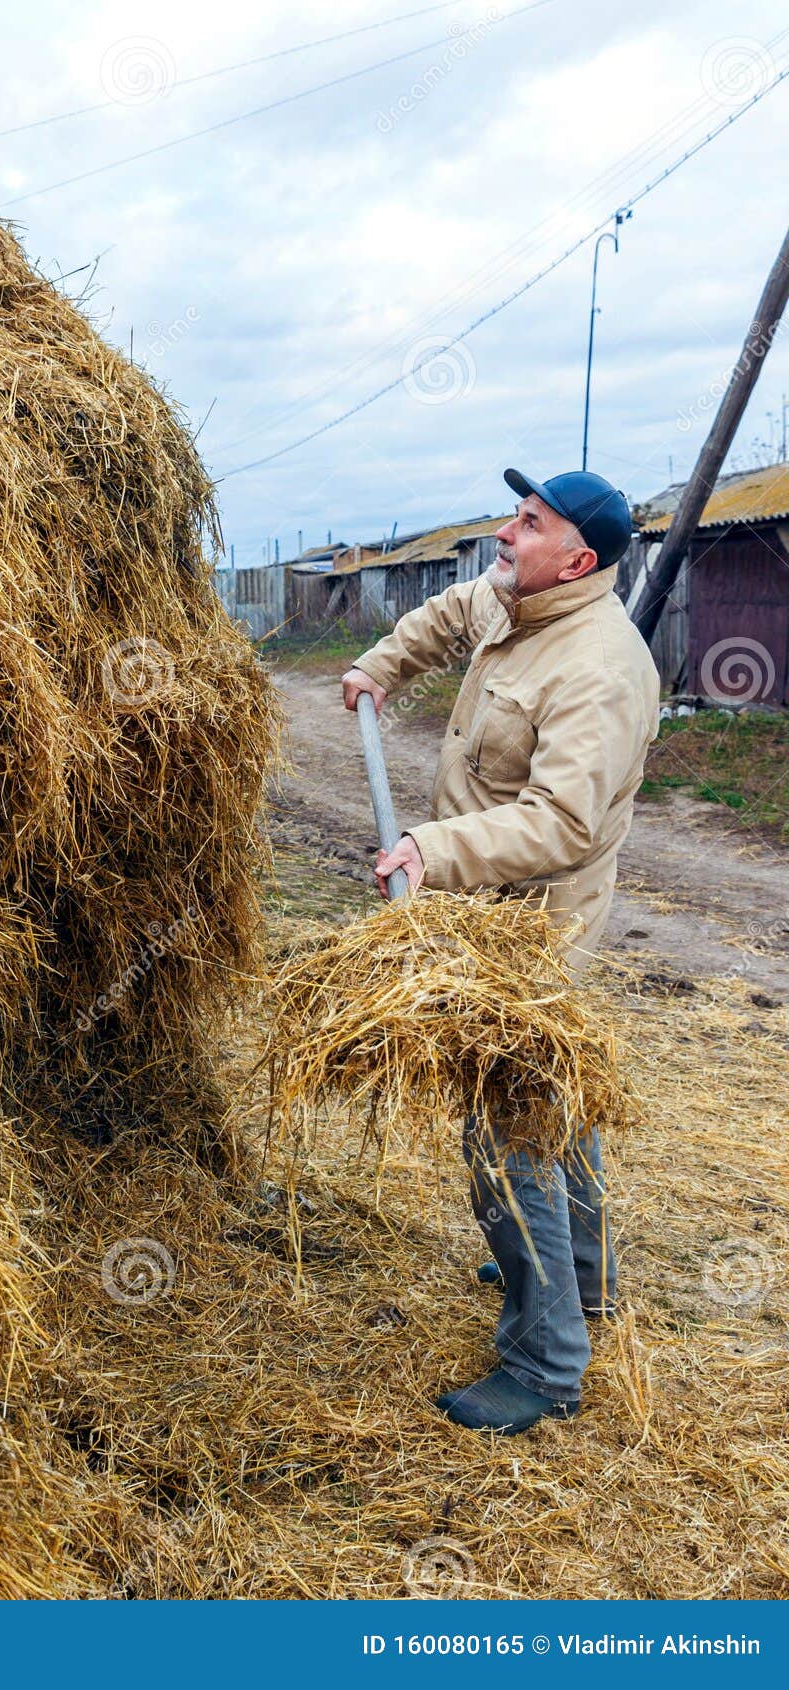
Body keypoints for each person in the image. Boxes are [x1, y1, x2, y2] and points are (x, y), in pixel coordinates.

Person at [340, 467, 659, 1435]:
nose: (501, 536)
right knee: (558, 1096)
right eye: (513, 516)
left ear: (580, 557)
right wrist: (380, 667)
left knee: (509, 1122)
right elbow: (444, 613)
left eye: (526, 524)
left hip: (528, 923)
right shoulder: (515, 599)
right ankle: (584, 1273)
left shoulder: (596, 666)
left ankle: (544, 1363)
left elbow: (561, 820)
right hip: (479, 902)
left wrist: (429, 850)